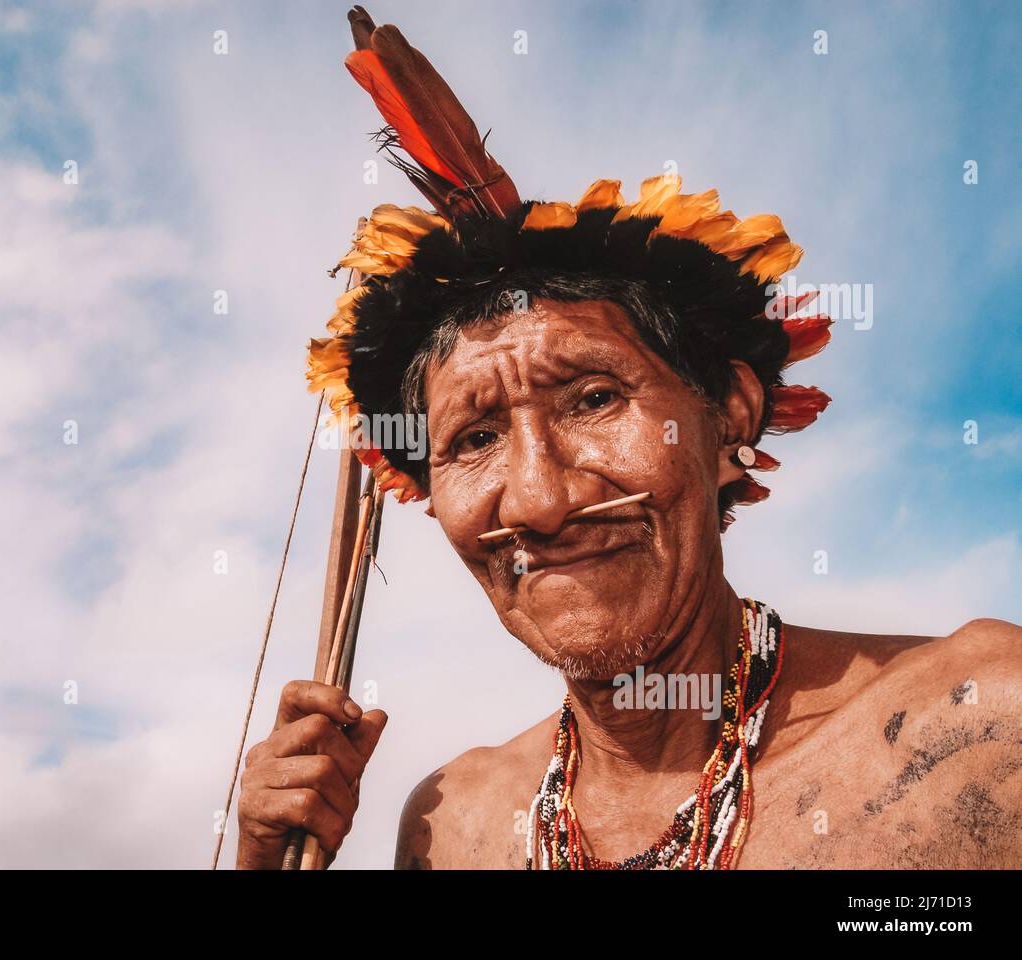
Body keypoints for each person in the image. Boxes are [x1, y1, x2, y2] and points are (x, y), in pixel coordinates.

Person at [234, 7, 1022, 870]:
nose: (538, 501)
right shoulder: (453, 825)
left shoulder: (977, 726)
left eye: (595, 398)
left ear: (730, 417)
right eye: (473, 439)